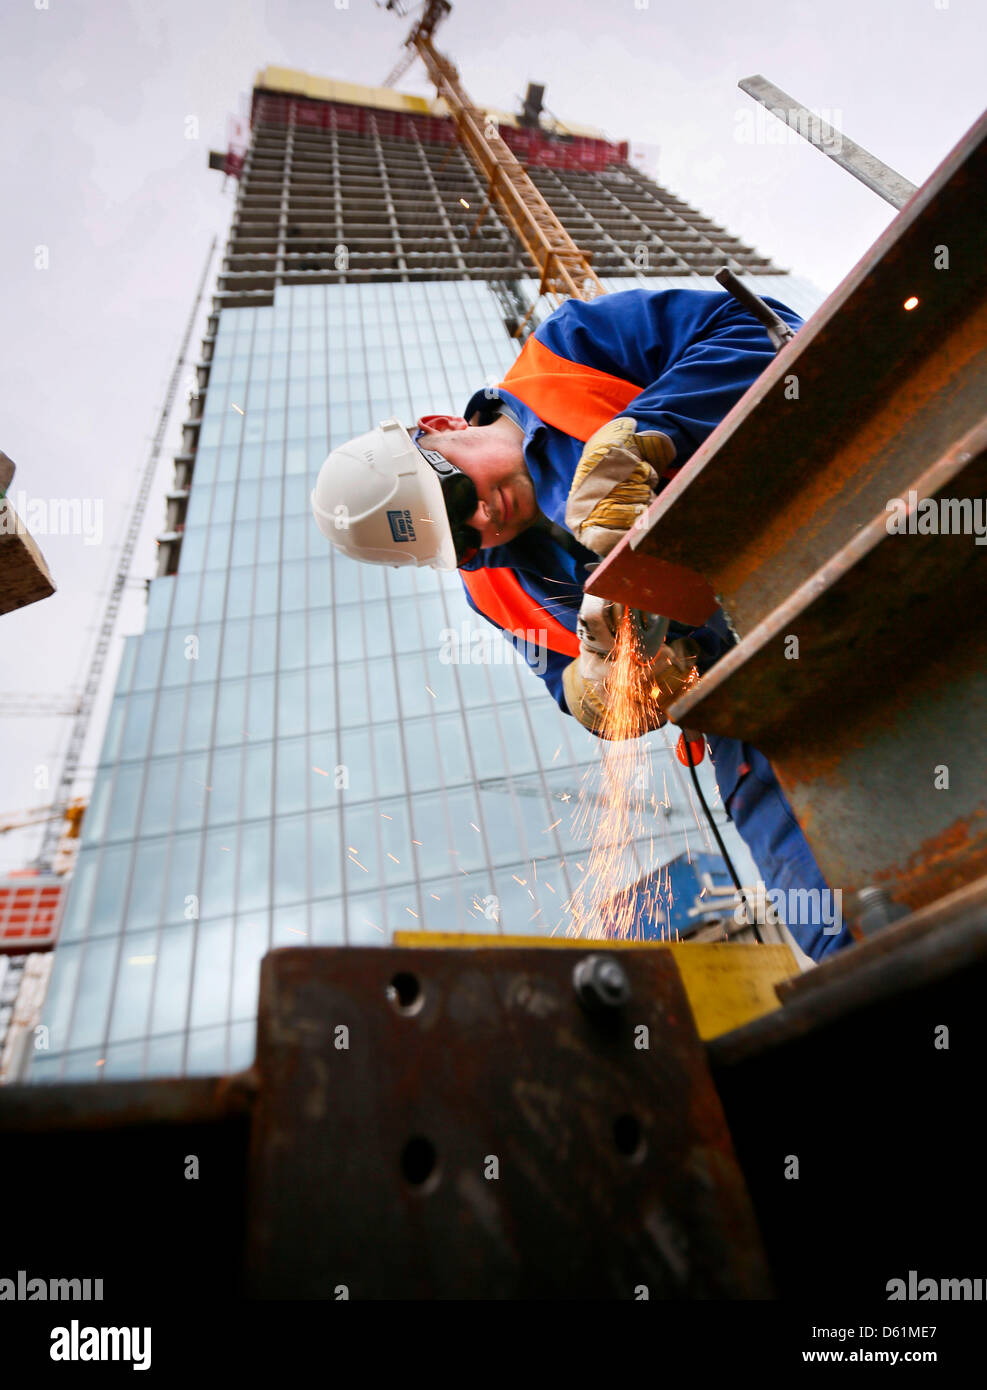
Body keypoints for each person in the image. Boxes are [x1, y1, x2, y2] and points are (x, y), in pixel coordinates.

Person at [312, 286, 851, 962]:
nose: (480, 520)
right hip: (759, 725)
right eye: (455, 539)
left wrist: (642, 437)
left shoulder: (567, 353)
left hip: (836, 563)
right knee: (840, 934)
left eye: (453, 494)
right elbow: (575, 688)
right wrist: (607, 689)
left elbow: (768, 332)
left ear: (441, 427)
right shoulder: (492, 586)